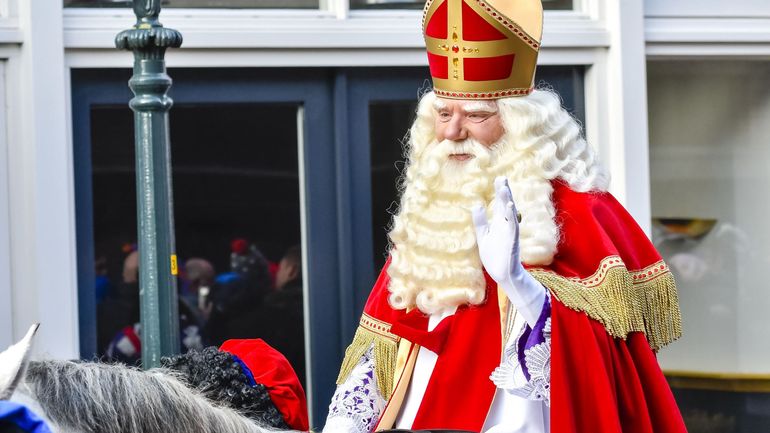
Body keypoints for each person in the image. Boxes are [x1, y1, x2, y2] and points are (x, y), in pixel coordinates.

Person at [324, 1, 686, 432]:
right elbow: (381, 348)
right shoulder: (429, 213)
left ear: (522, 124)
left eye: (476, 115)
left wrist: (519, 284)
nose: (453, 132)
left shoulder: (581, 210)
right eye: (444, 113)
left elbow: (605, 361)